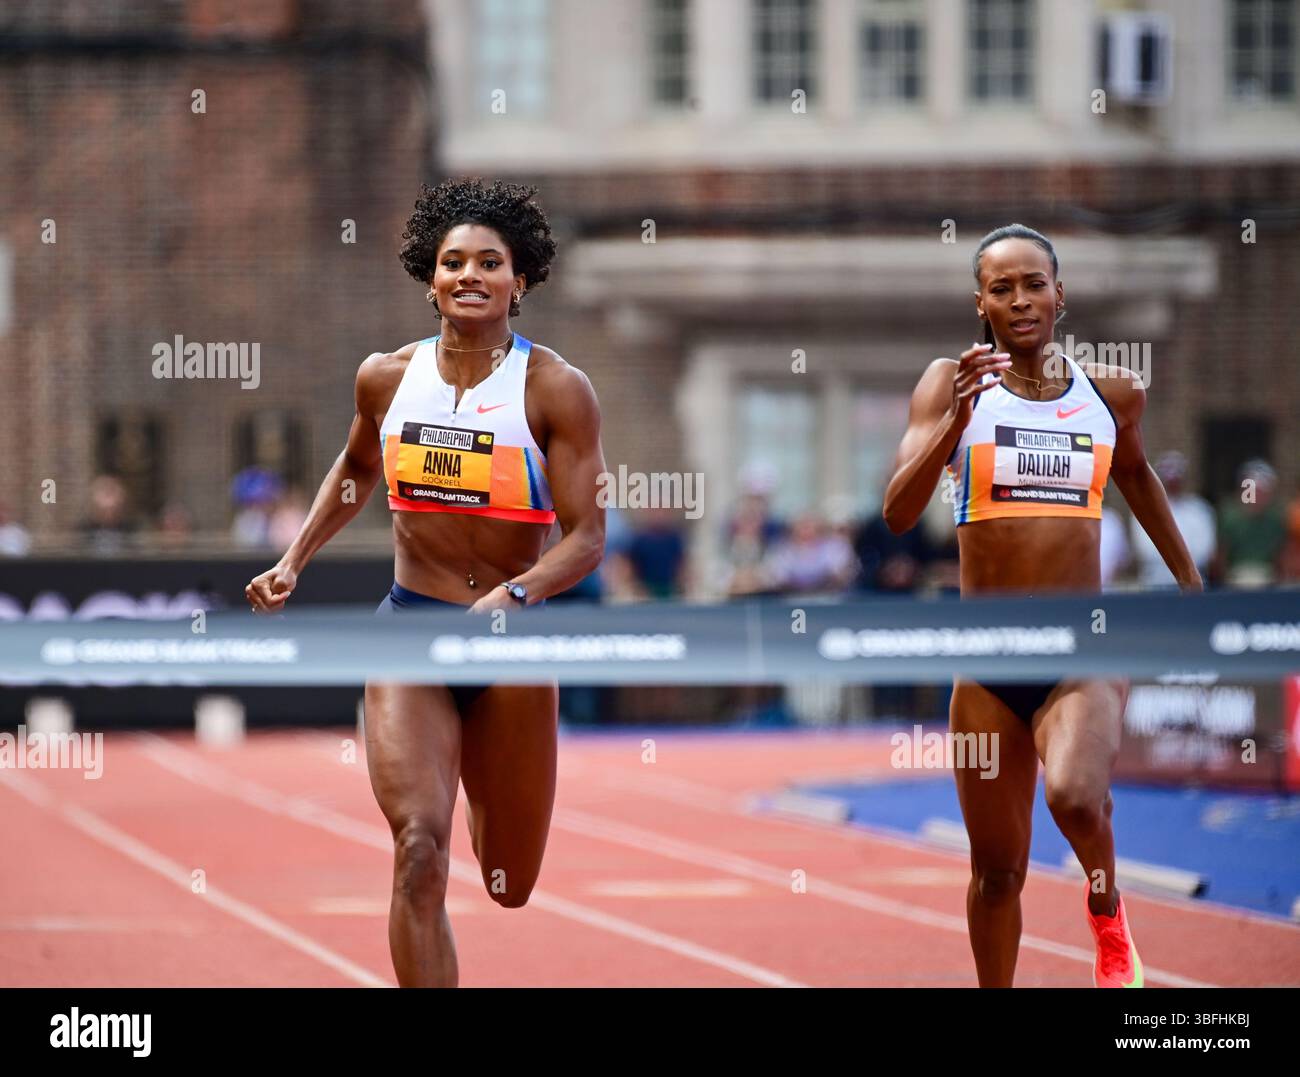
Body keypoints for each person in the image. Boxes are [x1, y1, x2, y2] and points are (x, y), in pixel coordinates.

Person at [246, 178, 606, 987]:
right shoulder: (385, 378)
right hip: (409, 627)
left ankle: (480, 779)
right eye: (452, 262)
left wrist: (516, 594)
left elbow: (588, 537)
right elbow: (355, 469)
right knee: (417, 852)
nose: (469, 275)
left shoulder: (554, 388)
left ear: (521, 278)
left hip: (509, 643)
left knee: (509, 880)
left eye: (489, 262)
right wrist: (292, 558)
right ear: (429, 275)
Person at [883, 223, 1202, 988]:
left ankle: (1107, 905)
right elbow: (897, 511)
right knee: (997, 872)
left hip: (1081, 648)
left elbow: (1138, 479)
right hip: (986, 662)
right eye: (1002, 287)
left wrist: (1192, 589)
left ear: (1061, 293)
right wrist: (954, 424)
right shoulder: (949, 383)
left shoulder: (1112, 392)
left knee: (1075, 795)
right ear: (981, 303)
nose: (1020, 299)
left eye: (1034, 283)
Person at [1130, 451, 1215, 589]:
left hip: (1193, 582)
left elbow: (1204, 550)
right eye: (1168, 479)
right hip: (1155, 583)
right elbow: (1145, 550)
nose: (1172, 484)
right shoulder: (1144, 508)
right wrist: (1182, 557)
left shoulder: (1199, 509)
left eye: (1176, 479)